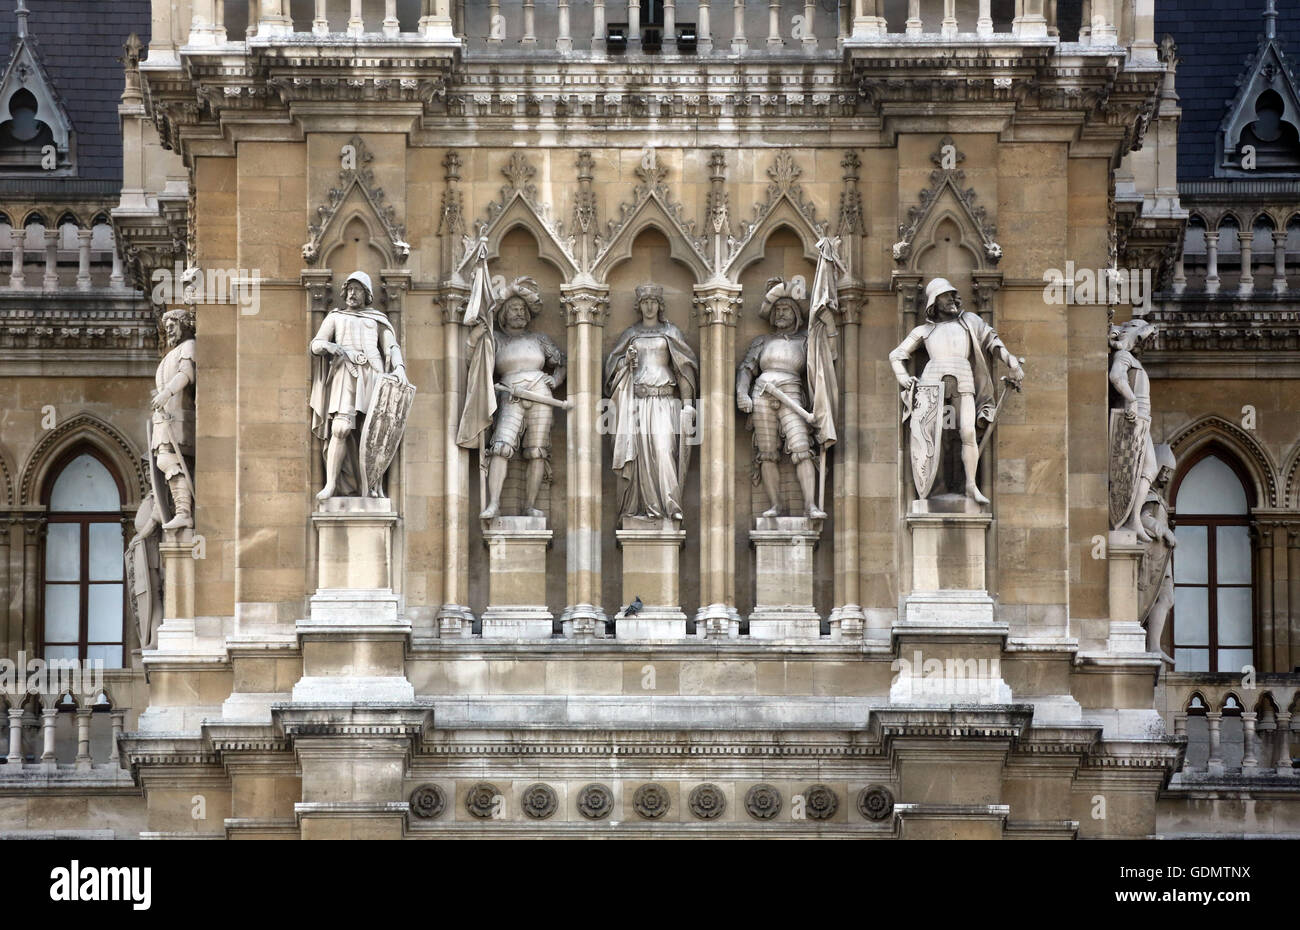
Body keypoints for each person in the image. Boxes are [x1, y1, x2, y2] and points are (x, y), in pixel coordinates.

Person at [889, 277, 1024, 504]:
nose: (952, 298)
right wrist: (903, 378)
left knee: (968, 433)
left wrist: (1012, 362)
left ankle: (971, 486)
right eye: (946, 295)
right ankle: (931, 488)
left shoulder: (969, 322)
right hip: (932, 383)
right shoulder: (924, 331)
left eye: (953, 294)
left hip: (963, 379)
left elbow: (993, 340)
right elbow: (896, 355)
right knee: (932, 438)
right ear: (934, 301)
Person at [460, 277, 566, 520]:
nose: (519, 313)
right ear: (504, 314)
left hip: (540, 393)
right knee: (501, 446)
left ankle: (529, 505)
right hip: (510, 393)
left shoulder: (539, 339)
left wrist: (556, 379)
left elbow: (561, 363)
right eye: (513, 309)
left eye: (522, 309)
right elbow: (471, 358)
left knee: (537, 451)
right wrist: (477, 333)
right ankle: (494, 503)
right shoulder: (496, 340)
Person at [736, 278, 837, 519]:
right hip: (761, 393)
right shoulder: (763, 342)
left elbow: (826, 358)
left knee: (802, 448)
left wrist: (828, 321)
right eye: (777, 310)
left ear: (795, 314)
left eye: (786, 309)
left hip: (791, 392)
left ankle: (810, 505)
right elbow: (747, 368)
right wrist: (741, 392)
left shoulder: (805, 341)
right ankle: (776, 505)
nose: (781, 314)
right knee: (767, 452)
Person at [309, 271, 409, 500]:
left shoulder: (377, 319)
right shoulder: (335, 317)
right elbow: (315, 344)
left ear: (367, 294)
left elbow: (391, 346)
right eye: (350, 289)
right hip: (346, 373)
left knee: (374, 433)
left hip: (374, 376)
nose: (352, 294)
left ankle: (372, 486)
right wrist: (329, 347)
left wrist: (400, 367)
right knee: (340, 428)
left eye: (358, 289)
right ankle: (332, 484)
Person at [604, 285, 699, 522]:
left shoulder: (671, 333)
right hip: (636, 403)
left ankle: (670, 505)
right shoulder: (630, 335)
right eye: (645, 301)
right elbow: (611, 373)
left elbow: (683, 370)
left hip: (665, 401)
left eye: (653, 301)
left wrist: (688, 404)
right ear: (639, 305)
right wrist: (625, 362)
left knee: (664, 450)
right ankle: (642, 509)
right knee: (637, 457)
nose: (649, 306)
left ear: (660, 305)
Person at [150, 307, 196, 529]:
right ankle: (181, 511)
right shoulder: (171, 354)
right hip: (167, 418)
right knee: (165, 460)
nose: (168, 331)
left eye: (172, 327)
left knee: (168, 460)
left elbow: (186, 374)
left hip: (179, 418)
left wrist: (166, 393)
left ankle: (184, 511)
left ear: (183, 326)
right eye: (166, 328)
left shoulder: (188, 347)